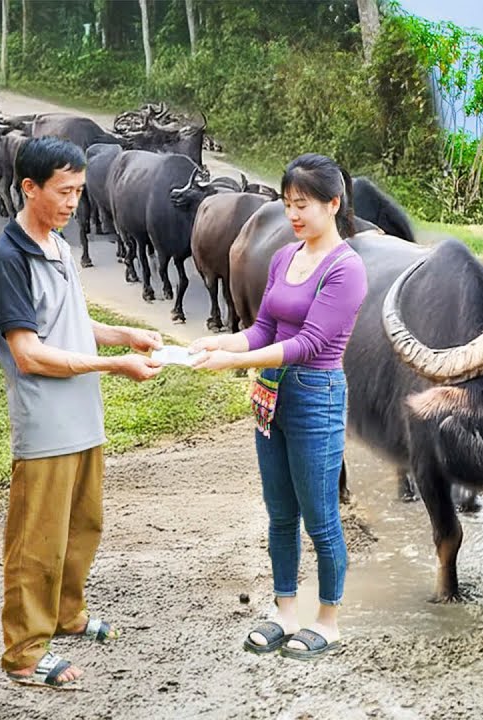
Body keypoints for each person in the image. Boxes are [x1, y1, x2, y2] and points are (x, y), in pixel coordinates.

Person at [0, 136, 164, 689]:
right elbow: (29, 352)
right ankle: (23, 653)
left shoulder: (60, 246)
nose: (72, 203)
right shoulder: (8, 258)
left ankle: (66, 613)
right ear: (29, 187)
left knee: (82, 527)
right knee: (37, 540)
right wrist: (113, 368)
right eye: (63, 192)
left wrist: (125, 334)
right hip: (45, 422)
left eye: (79, 192)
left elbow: (72, 323)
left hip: (83, 415)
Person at [189, 154, 368, 660]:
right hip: (270, 393)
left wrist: (228, 363)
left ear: (333, 204)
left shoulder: (346, 268)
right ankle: (284, 613)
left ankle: (328, 621)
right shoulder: (284, 259)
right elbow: (263, 330)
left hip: (316, 395)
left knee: (321, 516)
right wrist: (220, 345)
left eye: (304, 205)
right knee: (279, 514)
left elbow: (309, 343)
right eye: (288, 204)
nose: (294, 215)